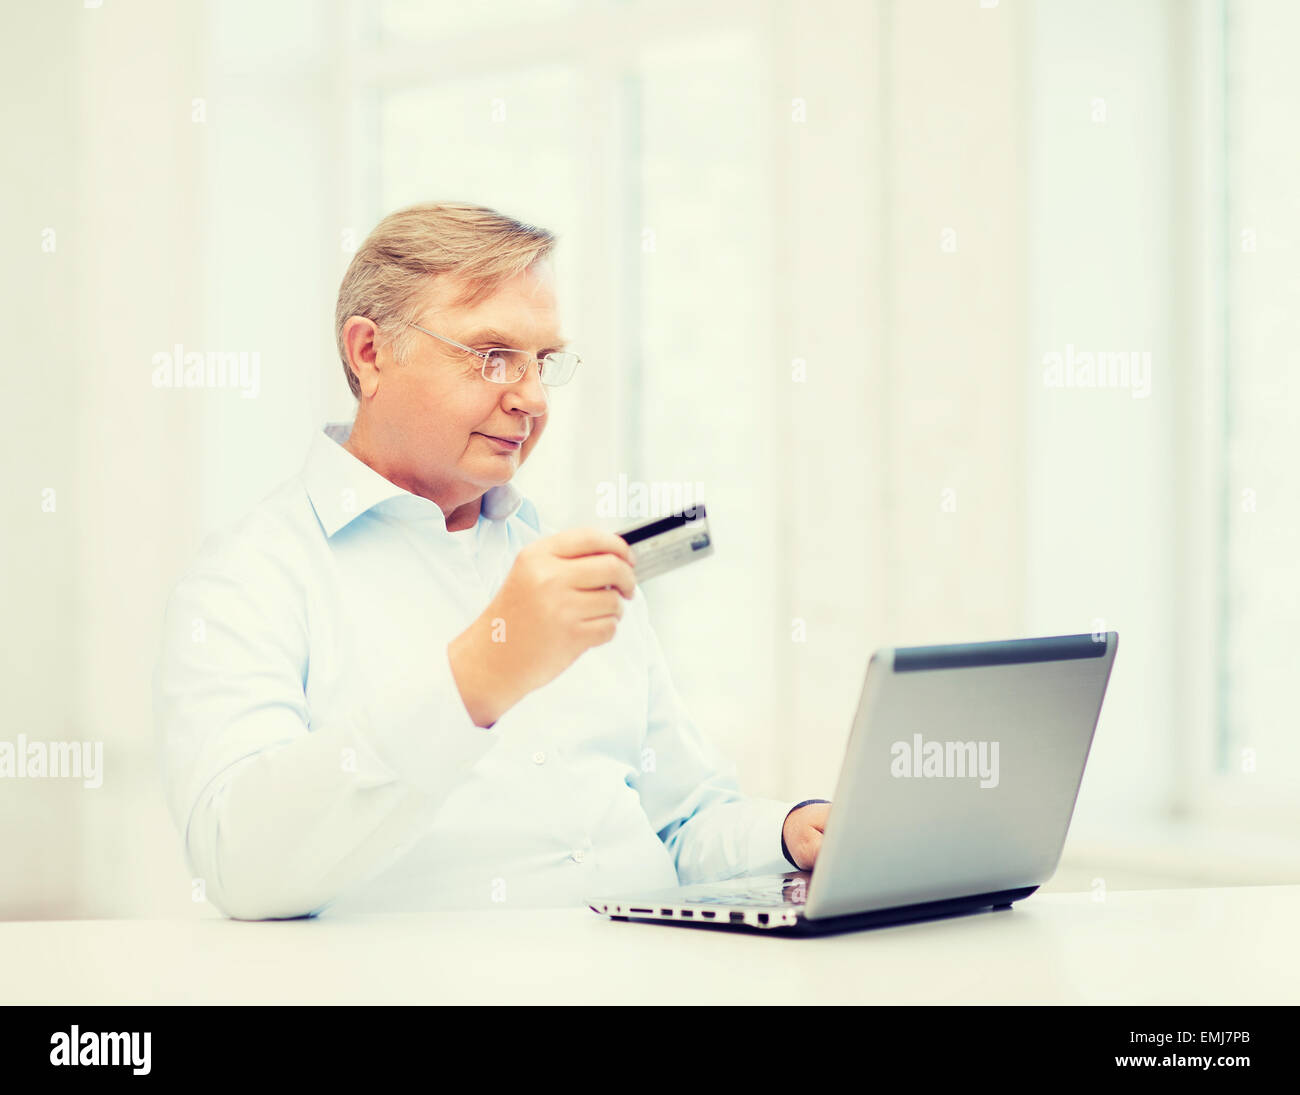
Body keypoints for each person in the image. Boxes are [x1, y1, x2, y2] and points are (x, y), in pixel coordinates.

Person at [154, 201, 830, 919]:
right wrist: (476, 679)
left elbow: (682, 819)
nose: (532, 398)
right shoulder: (249, 576)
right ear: (370, 352)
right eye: (492, 356)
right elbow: (240, 865)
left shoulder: (563, 565)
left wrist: (792, 834)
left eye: (542, 362)